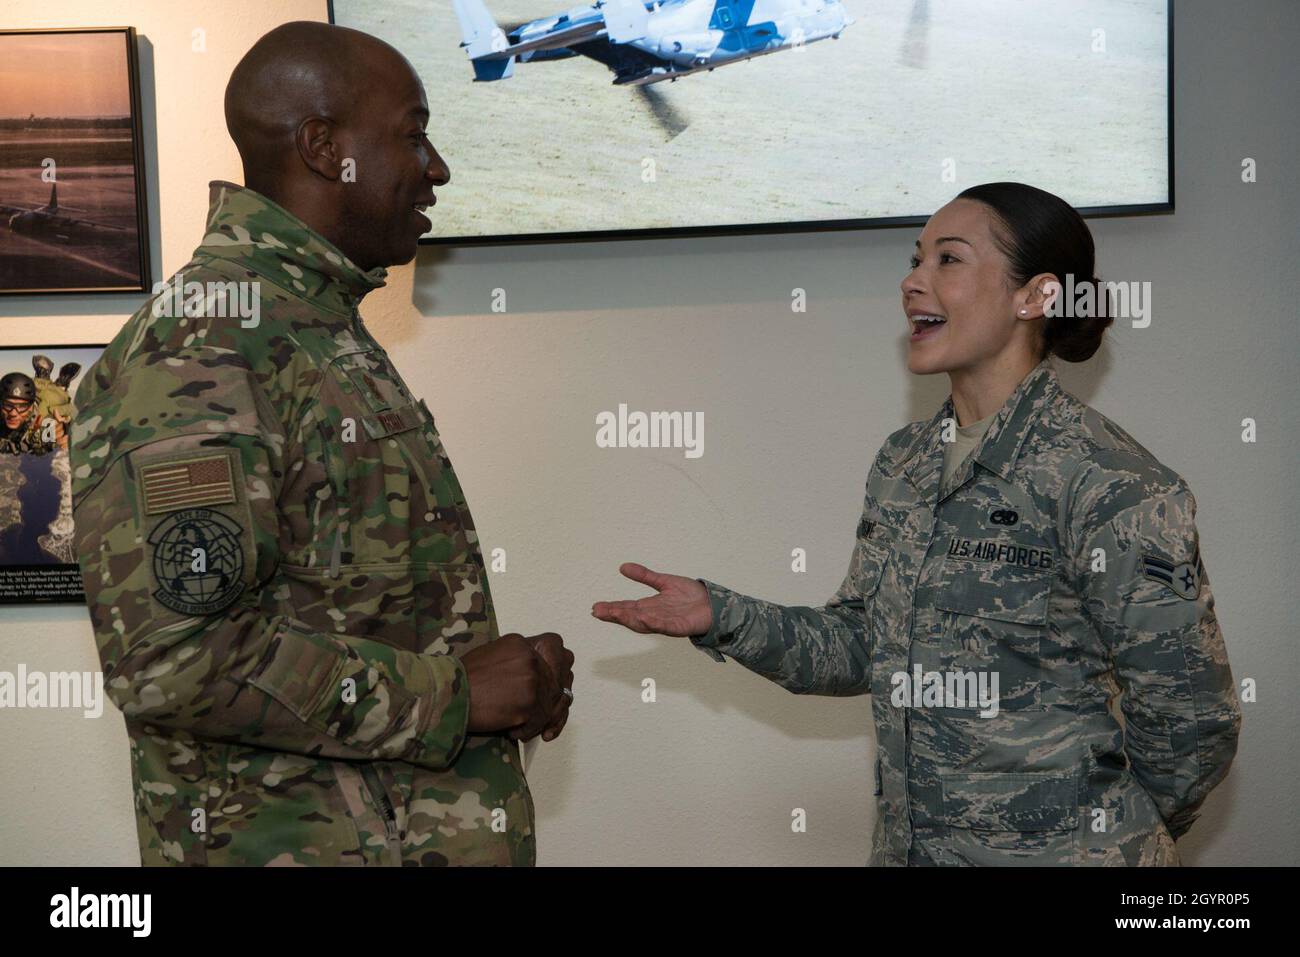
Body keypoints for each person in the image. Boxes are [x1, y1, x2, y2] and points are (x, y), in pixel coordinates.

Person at [593, 182, 1242, 866]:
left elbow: (1191, 721)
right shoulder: (903, 462)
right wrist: (718, 613)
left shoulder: (1111, 482)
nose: (913, 281)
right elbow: (859, 643)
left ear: (1036, 295)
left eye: (948, 261)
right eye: (915, 259)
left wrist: (1103, 834)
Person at [70, 21, 574, 867]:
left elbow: (348, 605)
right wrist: (455, 694)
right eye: (413, 134)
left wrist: (506, 683)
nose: (438, 166)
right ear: (321, 146)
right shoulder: (204, 343)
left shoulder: (306, 327)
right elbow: (174, 658)